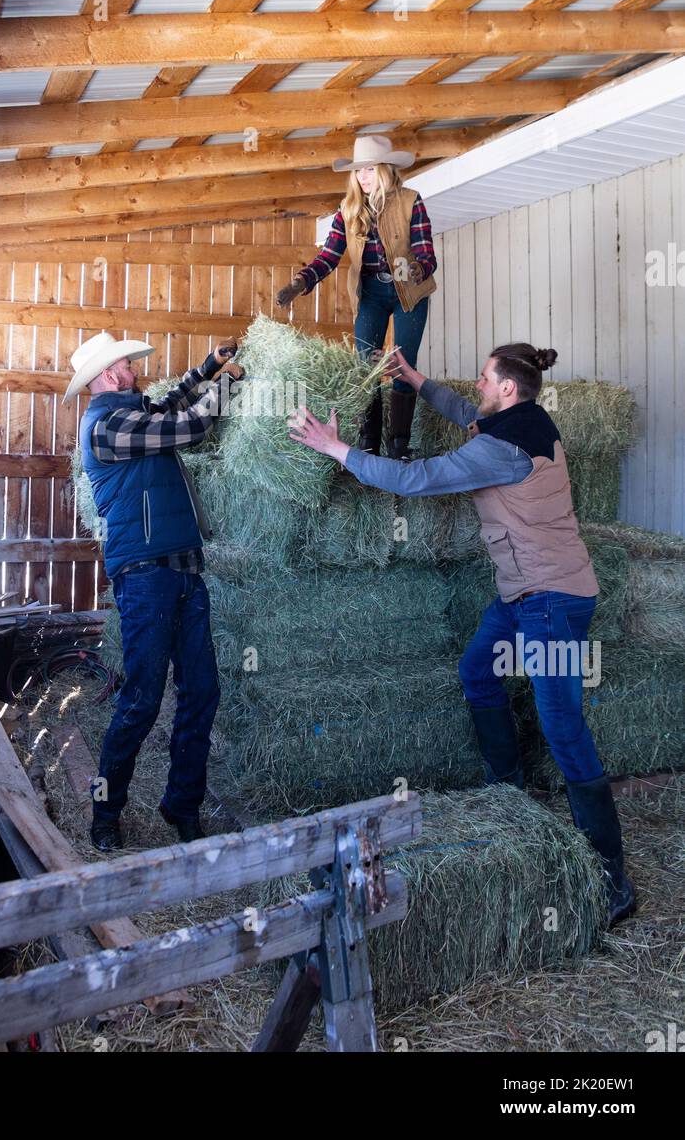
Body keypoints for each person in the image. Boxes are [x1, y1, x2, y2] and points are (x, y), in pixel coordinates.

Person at [287, 341, 636, 927]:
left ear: (507, 387)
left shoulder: (503, 448)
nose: (477, 385)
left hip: (550, 599)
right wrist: (416, 380)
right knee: (478, 671)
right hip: (524, 594)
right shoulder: (520, 421)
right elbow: (460, 413)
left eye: (483, 378)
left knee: (564, 730)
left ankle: (612, 878)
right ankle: (510, 792)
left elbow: (417, 478)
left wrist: (335, 447)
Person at [64, 330, 244, 851]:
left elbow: (167, 405)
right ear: (107, 376)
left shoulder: (130, 413)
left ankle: (181, 805)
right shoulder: (105, 426)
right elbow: (186, 428)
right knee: (142, 700)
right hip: (144, 575)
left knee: (202, 693)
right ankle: (106, 811)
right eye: (124, 362)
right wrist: (225, 388)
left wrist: (207, 367)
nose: (132, 367)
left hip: (183, 567)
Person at [275, 132, 437, 458]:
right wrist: (300, 282)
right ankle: (368, 444)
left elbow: (425, 251)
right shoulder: (348, 210)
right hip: (371, 292)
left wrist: (419, 268)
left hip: (409, 287)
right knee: (366, 368)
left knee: (403, 365)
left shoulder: (410, 201)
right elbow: (329, 257)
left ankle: (399, 446)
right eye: (358, 171)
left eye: (369, 169)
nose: (362, 177)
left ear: (386, 170)